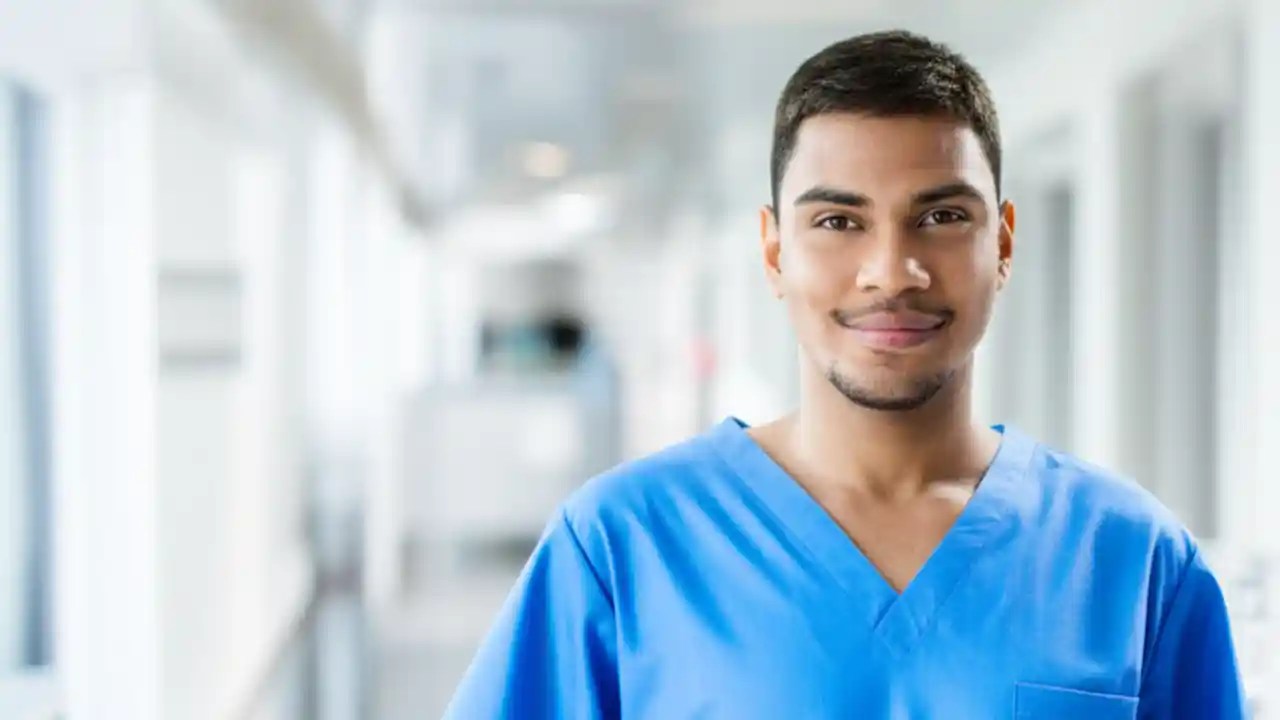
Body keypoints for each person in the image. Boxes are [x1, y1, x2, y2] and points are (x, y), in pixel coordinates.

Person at [443, 30, 1247, 719]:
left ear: (1001, 243)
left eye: (941, 217)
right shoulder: (624, 547)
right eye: (837, 221)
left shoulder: (1133, 563)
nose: (890, 271)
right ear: (773, 251)